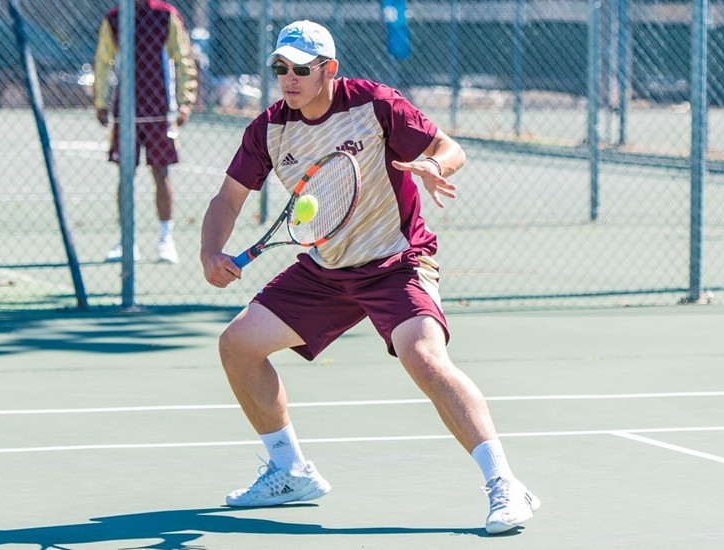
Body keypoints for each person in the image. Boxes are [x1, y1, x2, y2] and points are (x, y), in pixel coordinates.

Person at [199, 20, 540, 535]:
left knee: (424, 357)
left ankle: (505, 485)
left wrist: (436, 169)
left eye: (299, 69)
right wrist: (209, 252)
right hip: (325, 269)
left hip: (396, 261)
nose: (287, 78)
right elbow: (227, 199)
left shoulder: (375, 104)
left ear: (328, 70)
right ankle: (289, 472)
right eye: (279, 68)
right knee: (238, 345)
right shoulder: (269, 128)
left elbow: (451, 148)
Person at [93, 0, 198, 264]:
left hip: (159, 109)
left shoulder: (166, 15)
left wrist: (185, 101)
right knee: (125, 175)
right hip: (124, 111)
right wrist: (101, 102)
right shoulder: (114, 18)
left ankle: (166, 240)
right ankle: (126, 241)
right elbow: (103, 61)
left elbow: (183, 59)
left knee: (161, 173)